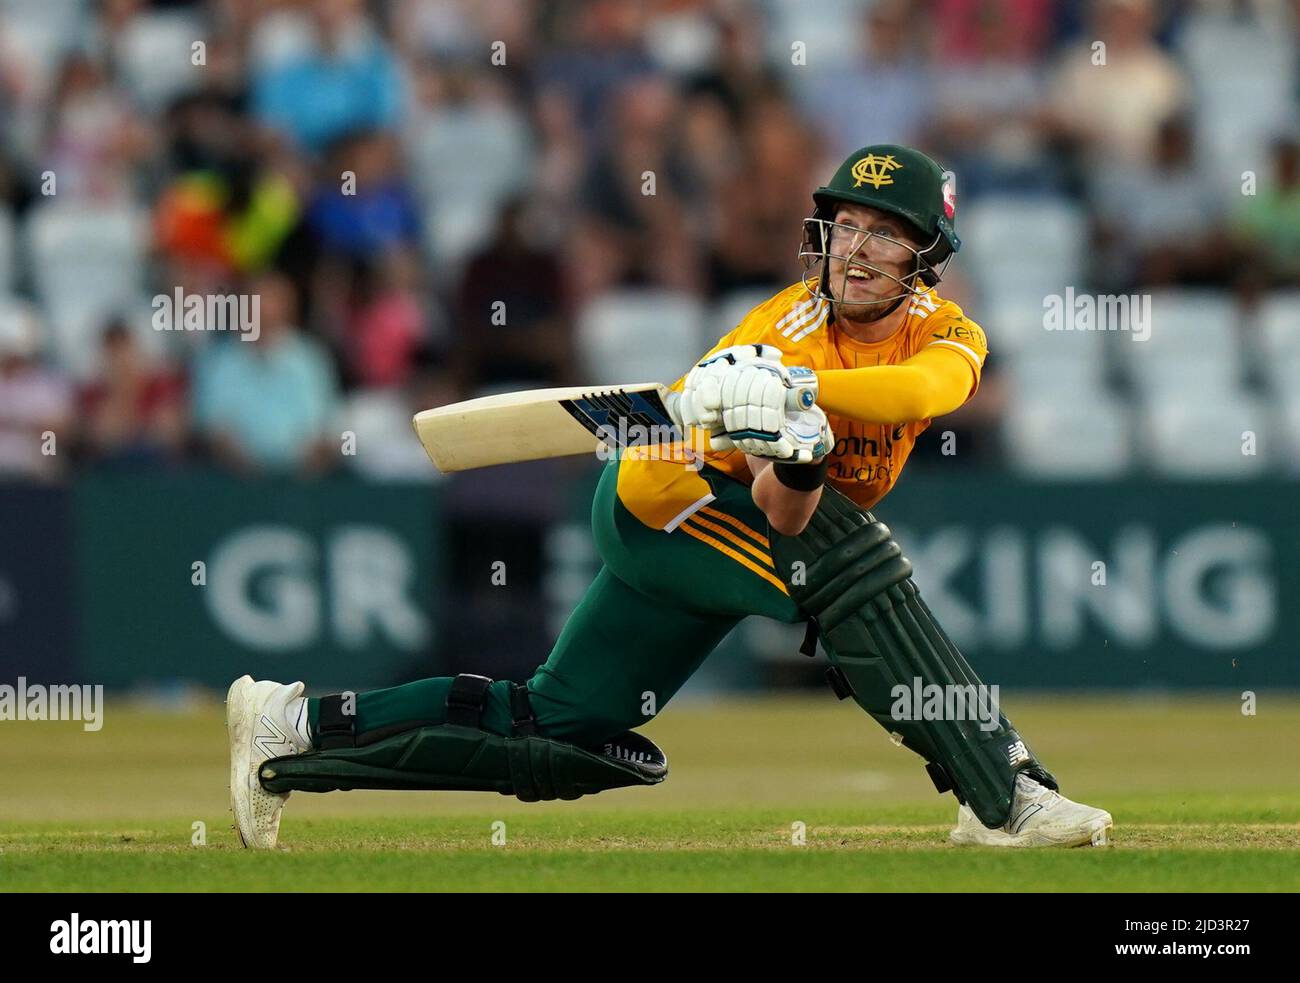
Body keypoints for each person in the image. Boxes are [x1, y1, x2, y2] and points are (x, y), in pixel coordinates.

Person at [227, 144, 1113, 850]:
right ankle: (1006, 794)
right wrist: (768, 393)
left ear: (926, 257)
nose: (855, 249)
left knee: (558, 734)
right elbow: (793, 526)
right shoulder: (779, 330)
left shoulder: (944, 336)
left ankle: (291, 731)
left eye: (884, 233)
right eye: (844, 227)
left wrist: (799, 423)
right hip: (664, 495)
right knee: (855, 561)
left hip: (738, 515)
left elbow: (881, 430)